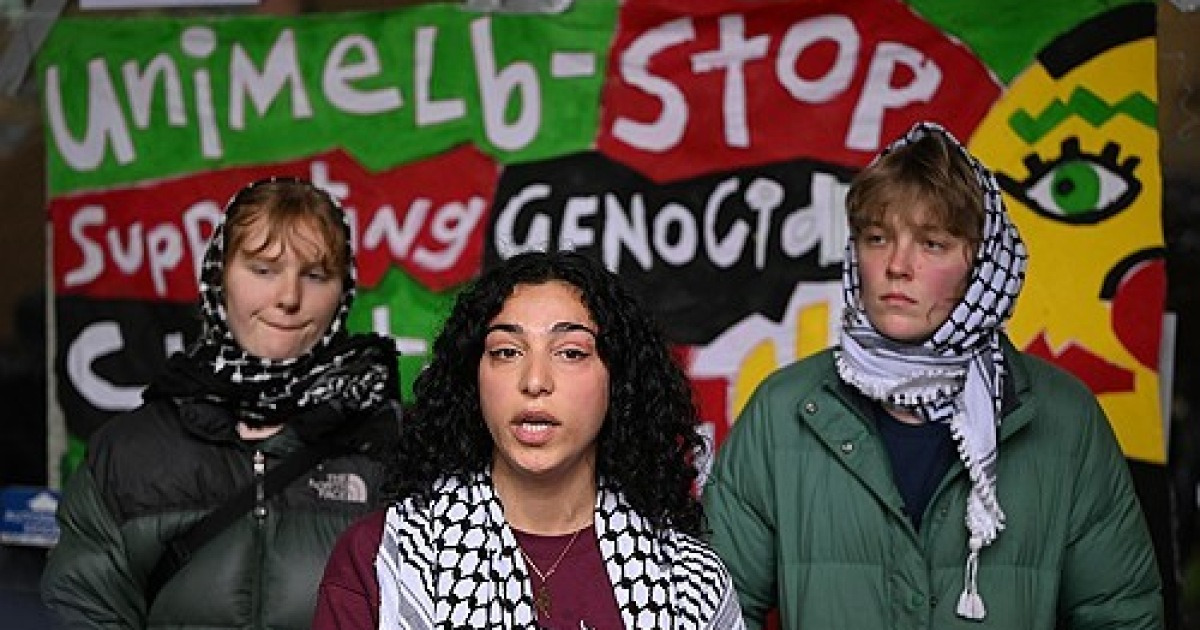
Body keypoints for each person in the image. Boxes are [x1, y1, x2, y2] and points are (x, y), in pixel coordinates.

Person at [703, 122, 1163, 628]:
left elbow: (1119, 616)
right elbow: (718, 613)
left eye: (932, 244)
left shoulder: (1062, 418)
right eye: (877, 238)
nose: (897, 265)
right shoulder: (783, 411)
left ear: (980, 264)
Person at [312, 250, 744, 629]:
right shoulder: (383, 558)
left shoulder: (691, 580)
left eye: (570, 352)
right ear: (473, 379)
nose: (535, 381)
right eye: (507, 352)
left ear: (619, 380)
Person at [41, 177, 402, 629]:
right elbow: (83, 609)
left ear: (342, 292)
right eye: (263, 270)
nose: (288, 298)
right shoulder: (129, 452)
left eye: (314, 275)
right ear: (219, 277)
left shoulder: (392, 450)